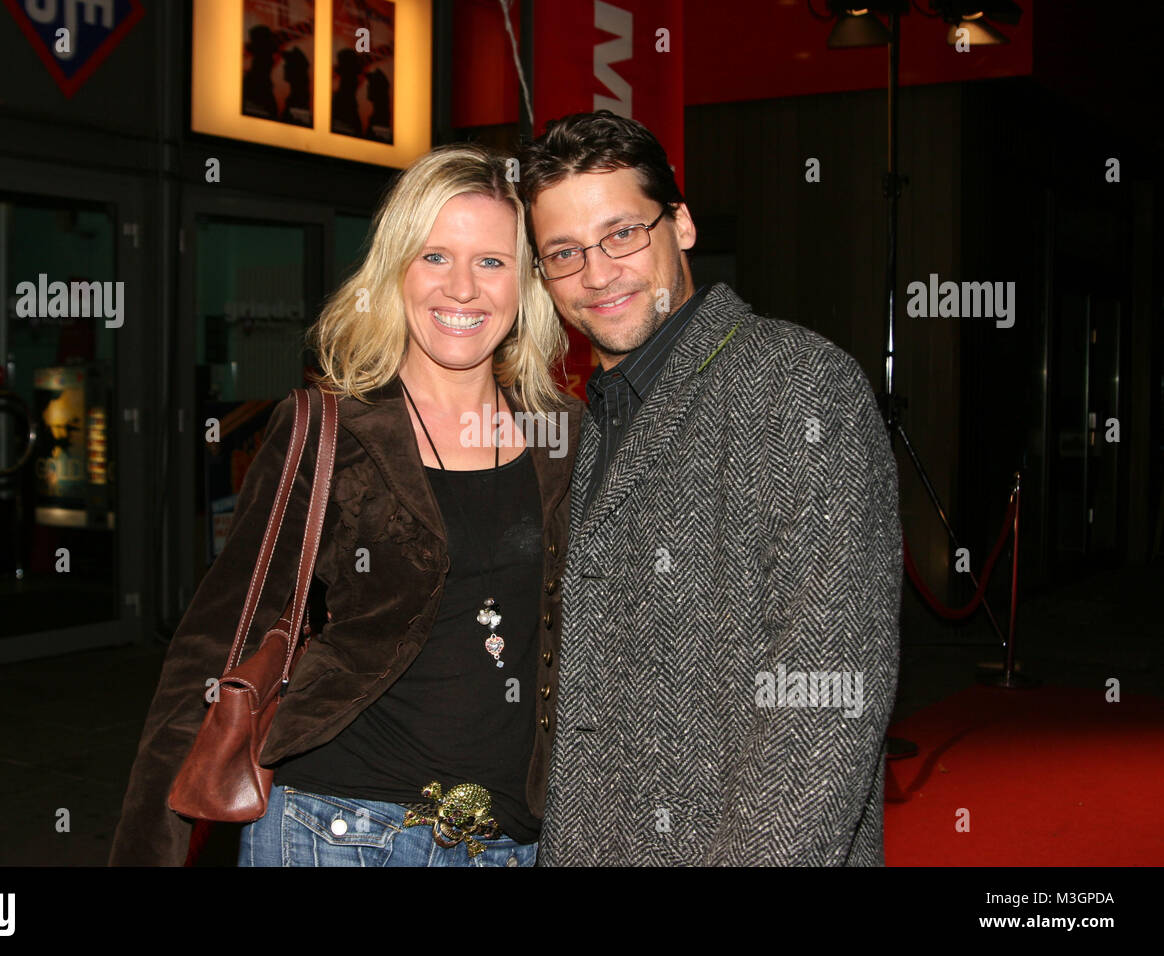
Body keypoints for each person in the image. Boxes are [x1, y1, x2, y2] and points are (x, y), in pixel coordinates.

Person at [109, 143, 582, 866]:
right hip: (340, 829)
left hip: (517, 841)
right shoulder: (328, 429)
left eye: (491, 261)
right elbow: (218, 641)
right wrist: (149, 850)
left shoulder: (566, 436)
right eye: (434, 257)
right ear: (394, 272)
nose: (462, 289)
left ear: (527, 284)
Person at [517, 110, 902, 865]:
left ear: (682, 225)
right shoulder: (586, 418)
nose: (597, 274)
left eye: (622, 234)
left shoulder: (797, 384)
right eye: (564, 253)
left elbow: (826, 692)